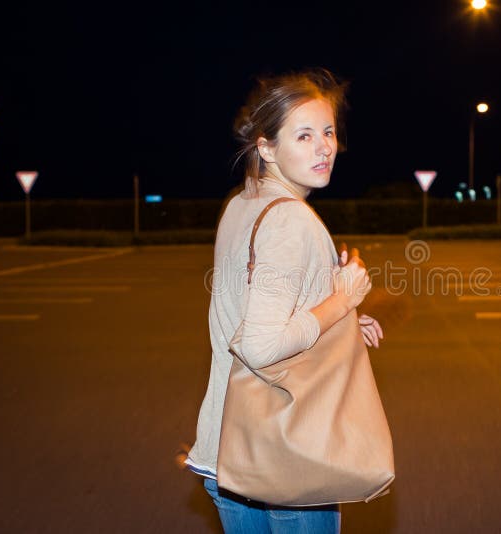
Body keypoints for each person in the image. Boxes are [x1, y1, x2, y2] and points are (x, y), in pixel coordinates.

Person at [185, 69, 384, 533]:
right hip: (286, 458)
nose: (324, 147)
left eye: (329, 132)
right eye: (305, 135)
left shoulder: (243, 204)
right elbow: (258, 343)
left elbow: (256, 306)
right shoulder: (291, 220)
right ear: (266, 147)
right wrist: (341, 300)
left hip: (228, 449)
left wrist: (342, 318)